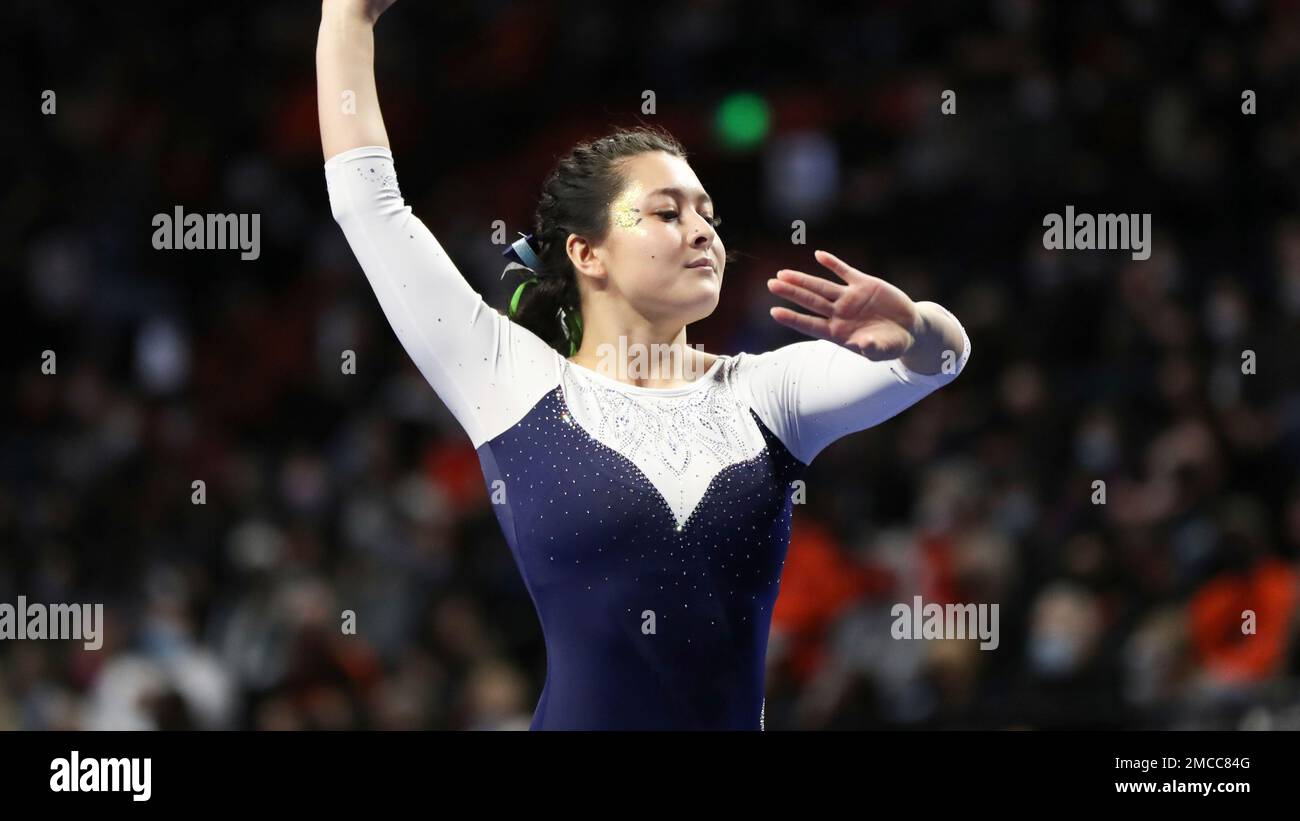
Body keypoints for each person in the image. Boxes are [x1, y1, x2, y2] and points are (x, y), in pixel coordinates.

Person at [316, 0, 971, 729]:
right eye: (667, 212)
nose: (703, 232)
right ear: (586, 252)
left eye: (708, 215)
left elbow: (941, 361)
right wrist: (346, 21)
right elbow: (370, 209)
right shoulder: (512, 380)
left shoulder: (765, 393)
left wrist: (916, 326)